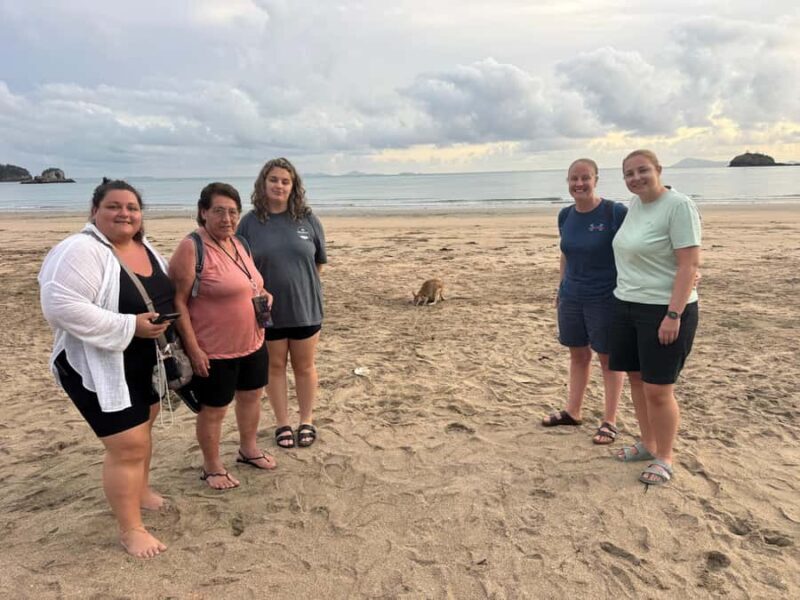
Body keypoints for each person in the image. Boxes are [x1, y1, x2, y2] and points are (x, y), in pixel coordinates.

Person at [39, 179, 173, 558]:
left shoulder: (145, 249)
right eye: (114, 206)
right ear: (95, 211)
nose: (124, 213)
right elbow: (60, 305)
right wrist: (130, 326)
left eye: (132, 207)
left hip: (143, 360)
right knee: (127, 445)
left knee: (144, 427)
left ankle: (140, 490)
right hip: (96, 365)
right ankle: (131, 530)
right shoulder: (79, 249)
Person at [169, 182, 276, 490]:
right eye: (218, 211)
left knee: (252, 397)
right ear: (203, 213)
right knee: (214, 410)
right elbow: (178, 302)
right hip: (213, 349)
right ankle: (212, 466)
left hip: (252, 341)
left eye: (232, 212)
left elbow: (253, 284)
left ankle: (248, 449)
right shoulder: (192, 247)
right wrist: (193, 348)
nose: (227, 218)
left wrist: (266, 295)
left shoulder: (239, 243)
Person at [609, 149, 701, 486]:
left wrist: (673, 314)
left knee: (658, 389)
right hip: (627, 304)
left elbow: (689, 264)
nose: (636, 178)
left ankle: (665, 456)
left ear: (658, 170)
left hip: (664, 310)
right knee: (636, 379)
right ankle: (647, 443)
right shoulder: (635, 206)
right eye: (629, 174)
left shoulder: (679, 206)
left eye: (642, 171)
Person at [237, 158, 327, 449]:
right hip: (267, 311)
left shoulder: (308, 219)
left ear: (293, 186)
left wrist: (299, 286)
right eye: (273, 179)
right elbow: (239, 266)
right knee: (274, 367)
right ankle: (282, 423)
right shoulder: (250, 223)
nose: (279, 185)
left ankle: (306, 420)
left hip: (305, 307)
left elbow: (318, 263)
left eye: (285, 181)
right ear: (263, 183)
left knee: (304, 366)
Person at [542, 159, 627, 444]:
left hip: (605, 296)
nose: (579, 184)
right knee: (577, 355)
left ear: (596, 179)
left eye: (585, 178)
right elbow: (565, 253)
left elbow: (639, 245)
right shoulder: (565, 215)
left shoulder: (614, 212)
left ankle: (610, 421)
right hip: (572, 296)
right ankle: (573, 411)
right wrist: (561, 287)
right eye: (573, 179)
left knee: (609, 359)